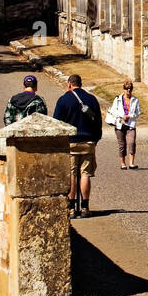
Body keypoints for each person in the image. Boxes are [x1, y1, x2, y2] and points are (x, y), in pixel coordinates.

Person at [53, 74, 102, 217]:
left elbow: (57, 123)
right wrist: (95, 140)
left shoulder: (63, 100)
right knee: (85, 173)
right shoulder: (91, 99)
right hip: (88, 141)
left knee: (72, 175)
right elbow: (98, 123)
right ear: (81, 84)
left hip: (70, 142)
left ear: (69, 84)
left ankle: (72, 207)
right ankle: (85, 207)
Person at [106, 80, 141, 170]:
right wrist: (122, 116)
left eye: (130, 89)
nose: (128, 91)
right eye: (126, 89)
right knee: (122, 144)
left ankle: (131, 163)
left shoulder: (135, 100)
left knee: (132, 142)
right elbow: (113, 111)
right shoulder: (118, 99)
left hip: (131, 124)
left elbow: (138, 112)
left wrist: (130, 116)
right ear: (124, 89)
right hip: (119, 124)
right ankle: (123, 163)